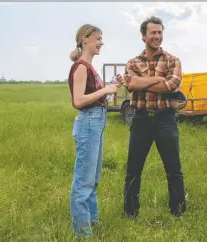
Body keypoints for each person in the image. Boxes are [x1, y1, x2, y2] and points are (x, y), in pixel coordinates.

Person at [122, 16, 187, 218]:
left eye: (160, 32)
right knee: (133, 168)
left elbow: (172, 85)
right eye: (153, 33)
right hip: (141, 119)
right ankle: (131, 212)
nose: (157, 36)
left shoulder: (172, 60)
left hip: (165, 119)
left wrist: (143, 82)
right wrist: (157, 79)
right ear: (144, 36)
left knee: (173, 168)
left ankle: (177, 211)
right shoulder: (132, 62)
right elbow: (130, 84)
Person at [67, 24, 121, 237]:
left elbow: (95, 99)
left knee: (93, 177)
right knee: (84, 180)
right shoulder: (80, 66)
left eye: (101, 39)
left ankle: (92, 221)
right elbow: (78, 101)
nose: (101, 43)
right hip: (89, 123)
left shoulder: (90, 67)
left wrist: (109, 89)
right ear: (84, 39)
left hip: (95, 122)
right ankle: (82, 233)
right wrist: (105, 90)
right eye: (97, 38)